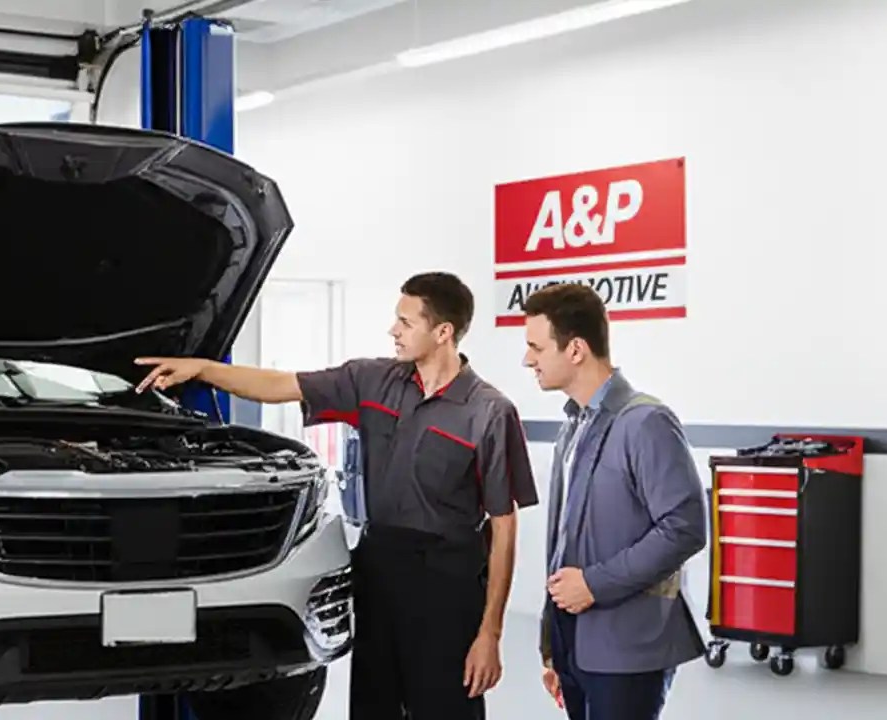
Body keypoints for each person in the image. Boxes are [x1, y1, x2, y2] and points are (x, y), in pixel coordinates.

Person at [135, 271, 540, 720]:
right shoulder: (371, 381)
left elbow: (504, 528)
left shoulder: (490, 413)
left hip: (448, 585)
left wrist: (491, 634)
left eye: (406, 322)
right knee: (373, 706)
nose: (394, 330)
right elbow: (282, 385)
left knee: (444, 708)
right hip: (378, 568)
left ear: (443, 332)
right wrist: (204, 370)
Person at [520, 283, 707, 720]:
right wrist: (554, 644)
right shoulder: (573, 426)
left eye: (536, 347)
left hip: (627, 649)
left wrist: (594, 584)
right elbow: (566, 538)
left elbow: (684, 527)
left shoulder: (646, 423)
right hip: (576, 642)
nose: (528, 359)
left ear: (576, 350)